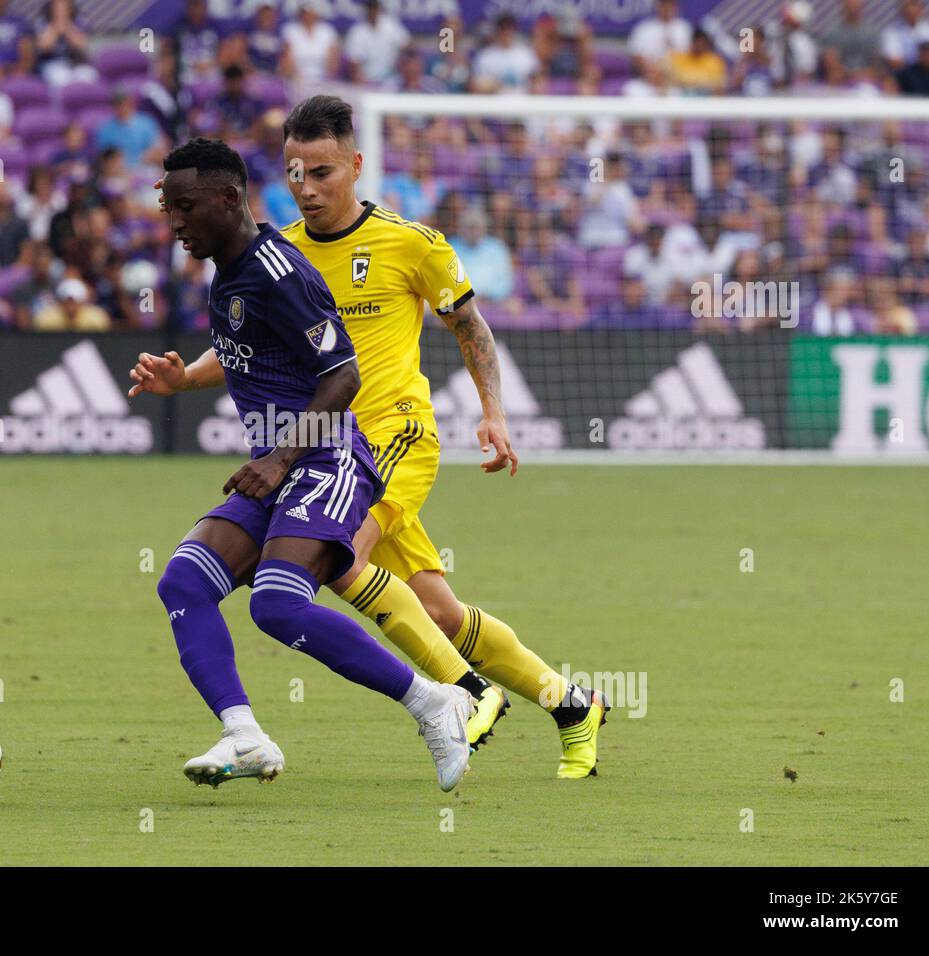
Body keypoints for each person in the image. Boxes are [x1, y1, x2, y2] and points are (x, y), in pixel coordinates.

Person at [140, 100, 610, 778]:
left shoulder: (408, 241)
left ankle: (464, 697)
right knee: (437, 611)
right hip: (315, 445)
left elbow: (470, 327)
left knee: (335, 559)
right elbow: (250, 352)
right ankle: (570, 704)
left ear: (356, 166)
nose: (307, 186)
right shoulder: (281, 251)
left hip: (390, 435)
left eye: (323, 171)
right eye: (296, 172)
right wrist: (185, 378)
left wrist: (494, 413)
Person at [131, 137, 476, 790]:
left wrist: (281, 457)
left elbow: (343, 376)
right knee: (182, 582)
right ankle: (245, 736)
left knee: (277, 606)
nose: (173, 222)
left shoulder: (276, 271)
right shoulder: (229, 273)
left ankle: (437, 701)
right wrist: (182, 381)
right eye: (166, 208)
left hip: (328, 458)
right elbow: (251, 359)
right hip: (277, 467)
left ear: (228, 199)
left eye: (184, 207)